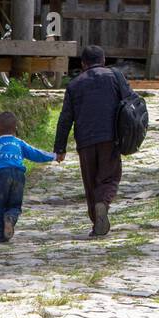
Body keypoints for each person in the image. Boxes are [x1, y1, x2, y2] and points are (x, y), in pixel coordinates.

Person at [54, 45, 127, 237]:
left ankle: (97, 223)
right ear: (103, 61)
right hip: (110, 137)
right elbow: (131, 103)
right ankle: (103, 203)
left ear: (83, 64)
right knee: (110, 177)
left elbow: (65, 118)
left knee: (90, 183)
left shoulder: (74, 84)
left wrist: (60, 147)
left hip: (85, 141)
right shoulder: (115, 77)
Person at [0, 111, 55, 243]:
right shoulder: (19, 143)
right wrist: (53, 156)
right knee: (15, 204)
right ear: (16, 129)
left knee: (0, 205)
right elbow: (36, 154)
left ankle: (1, 235)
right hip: (19, 175)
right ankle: (11, 218)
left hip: (2, 176)